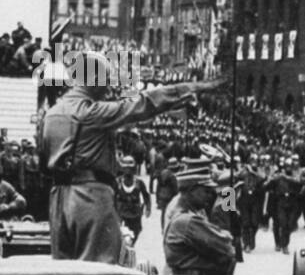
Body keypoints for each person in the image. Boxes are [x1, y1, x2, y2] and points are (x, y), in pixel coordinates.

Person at [39, 52, 223, 263]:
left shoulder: (51, 114)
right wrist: (193, 88)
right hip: (90, 196)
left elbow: (44, 163)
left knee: (62, 269)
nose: (108, 87)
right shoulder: (92, 112)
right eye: (106, 80)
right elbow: (146, 103)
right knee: (99, 268)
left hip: (58, 199)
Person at [113, 155, 151, 245]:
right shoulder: (118, 182)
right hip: (121, 214)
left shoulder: (138, 182)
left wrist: (148, 208)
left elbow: (146, 196)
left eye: (130, 168)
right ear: (122, 168)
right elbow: (112, 197)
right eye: (125, 168)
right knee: (122, 237)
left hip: (135, 215)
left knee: (134, 235)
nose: (128, 170)